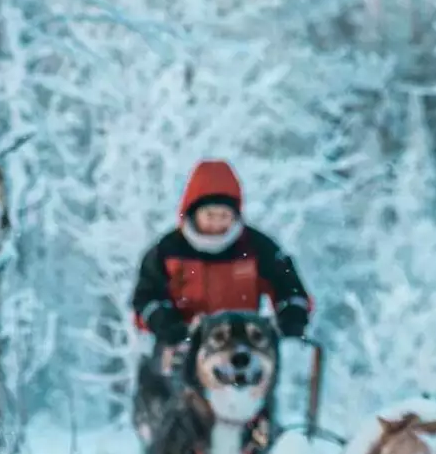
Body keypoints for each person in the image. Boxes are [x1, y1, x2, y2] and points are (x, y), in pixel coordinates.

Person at [131, 160, 312, 406]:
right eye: (210, 216)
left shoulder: (258, 248)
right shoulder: (167, 251)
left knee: (257, 392)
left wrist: (292, 315)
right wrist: (165, 323)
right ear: (193, 213)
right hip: (182, 342)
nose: (217, 224)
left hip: (243, 343)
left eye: (224, 216)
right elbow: (145, 297)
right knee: (172, 403)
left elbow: (289, 288)